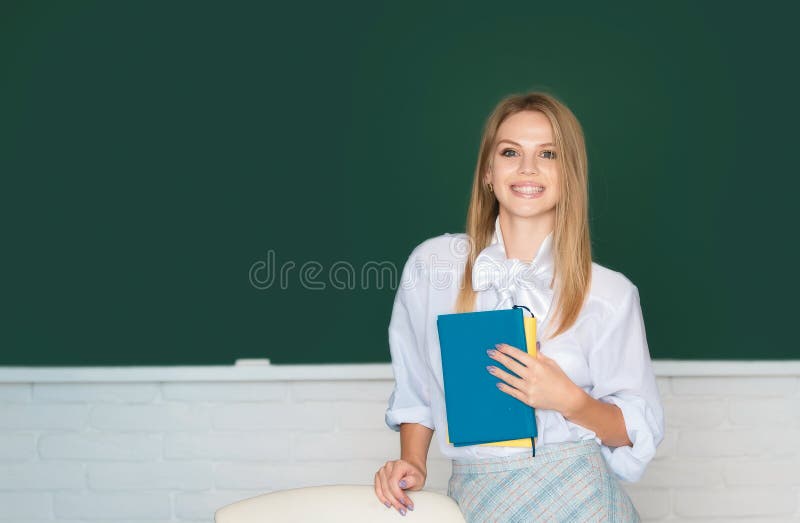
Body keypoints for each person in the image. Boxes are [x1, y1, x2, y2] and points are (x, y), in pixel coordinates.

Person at [373, 91, 664, 522]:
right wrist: (413, 462)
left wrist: (570, 401)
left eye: (548, 154)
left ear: (569, 174)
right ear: (488, 172)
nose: (528, 168)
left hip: (582, 499)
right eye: (511, 152)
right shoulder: (433, 266)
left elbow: (636, 429)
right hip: (476, 497)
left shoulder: (611, 293)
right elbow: (416, 388)